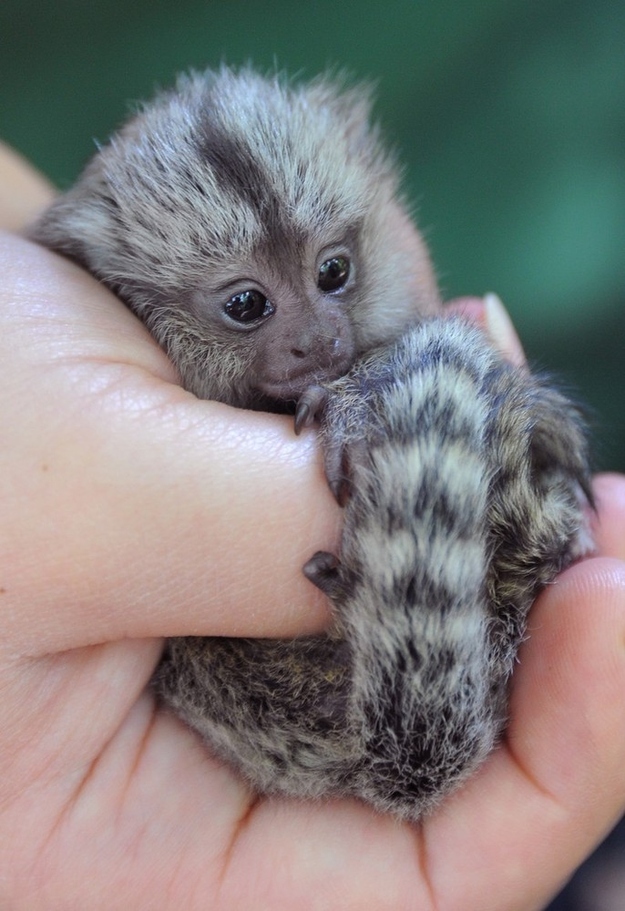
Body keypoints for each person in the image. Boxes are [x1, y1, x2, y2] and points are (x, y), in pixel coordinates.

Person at [1, 140, 624, 911]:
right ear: (118, 300)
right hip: (272, 738)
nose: (316, 333)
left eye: (332, 273)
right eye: (246, 307)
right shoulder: (89, 319)